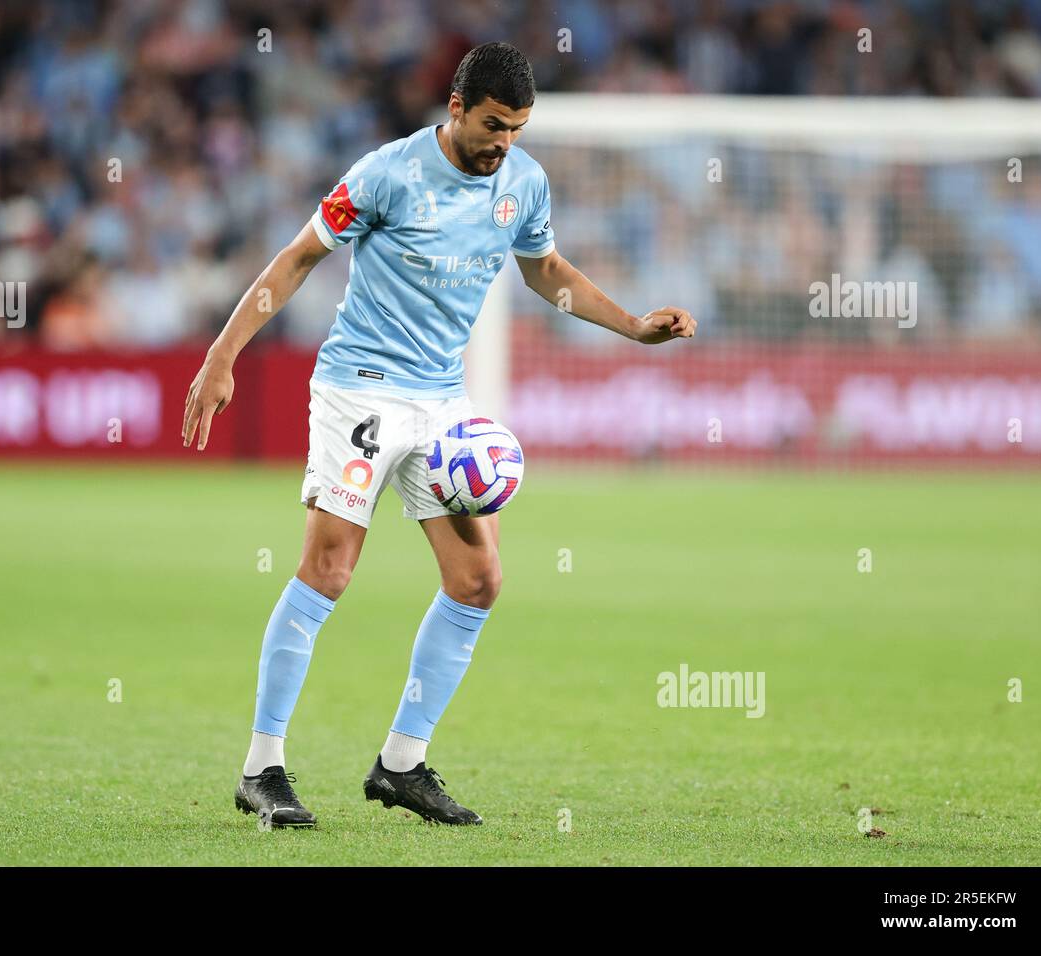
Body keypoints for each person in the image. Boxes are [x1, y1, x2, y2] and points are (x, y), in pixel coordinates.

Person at [182, 42, 696, 827]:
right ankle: (263, 767)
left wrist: (632, 326)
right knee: (329, 569)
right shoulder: (386, 173)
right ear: (456, 108)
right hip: (360, 389)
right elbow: (296, 260)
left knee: (478, 581)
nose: (504, 143)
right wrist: (223, 356)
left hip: (444, 405)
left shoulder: (523, 182)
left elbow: (545, 270)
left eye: (518, 129)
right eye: (493, 125)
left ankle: (401, 763)